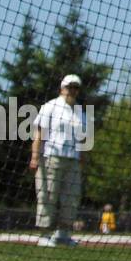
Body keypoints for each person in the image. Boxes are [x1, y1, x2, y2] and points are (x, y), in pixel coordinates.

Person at [30, 74, 90, 248]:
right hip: (51, 157)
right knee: (48, 195)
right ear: (62, 88)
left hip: (73, 160)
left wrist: (82, 158)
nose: (72, 90)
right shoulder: (50, 107)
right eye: (69, 87)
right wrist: (35, 156)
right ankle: (44, 234)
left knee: (71, 198)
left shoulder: (80, 111)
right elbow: (39, 133)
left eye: (75, 87)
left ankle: (63, 234)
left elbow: (83, 138)